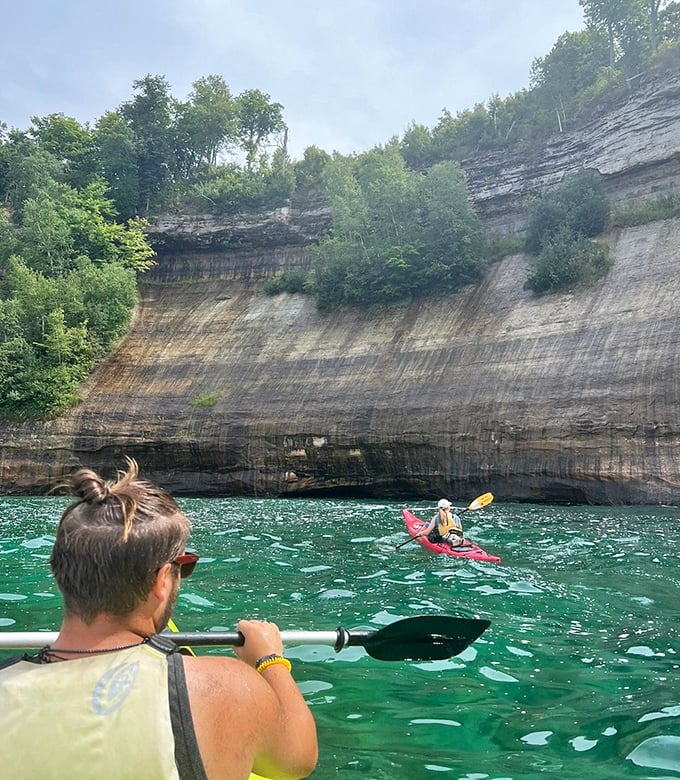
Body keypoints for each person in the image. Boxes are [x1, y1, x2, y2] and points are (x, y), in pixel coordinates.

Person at [0, 458, 317, 780]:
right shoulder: (226, 687)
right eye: (185, 565)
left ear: (59, 574)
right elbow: (296, 761)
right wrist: (269, 660)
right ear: (162, 580)